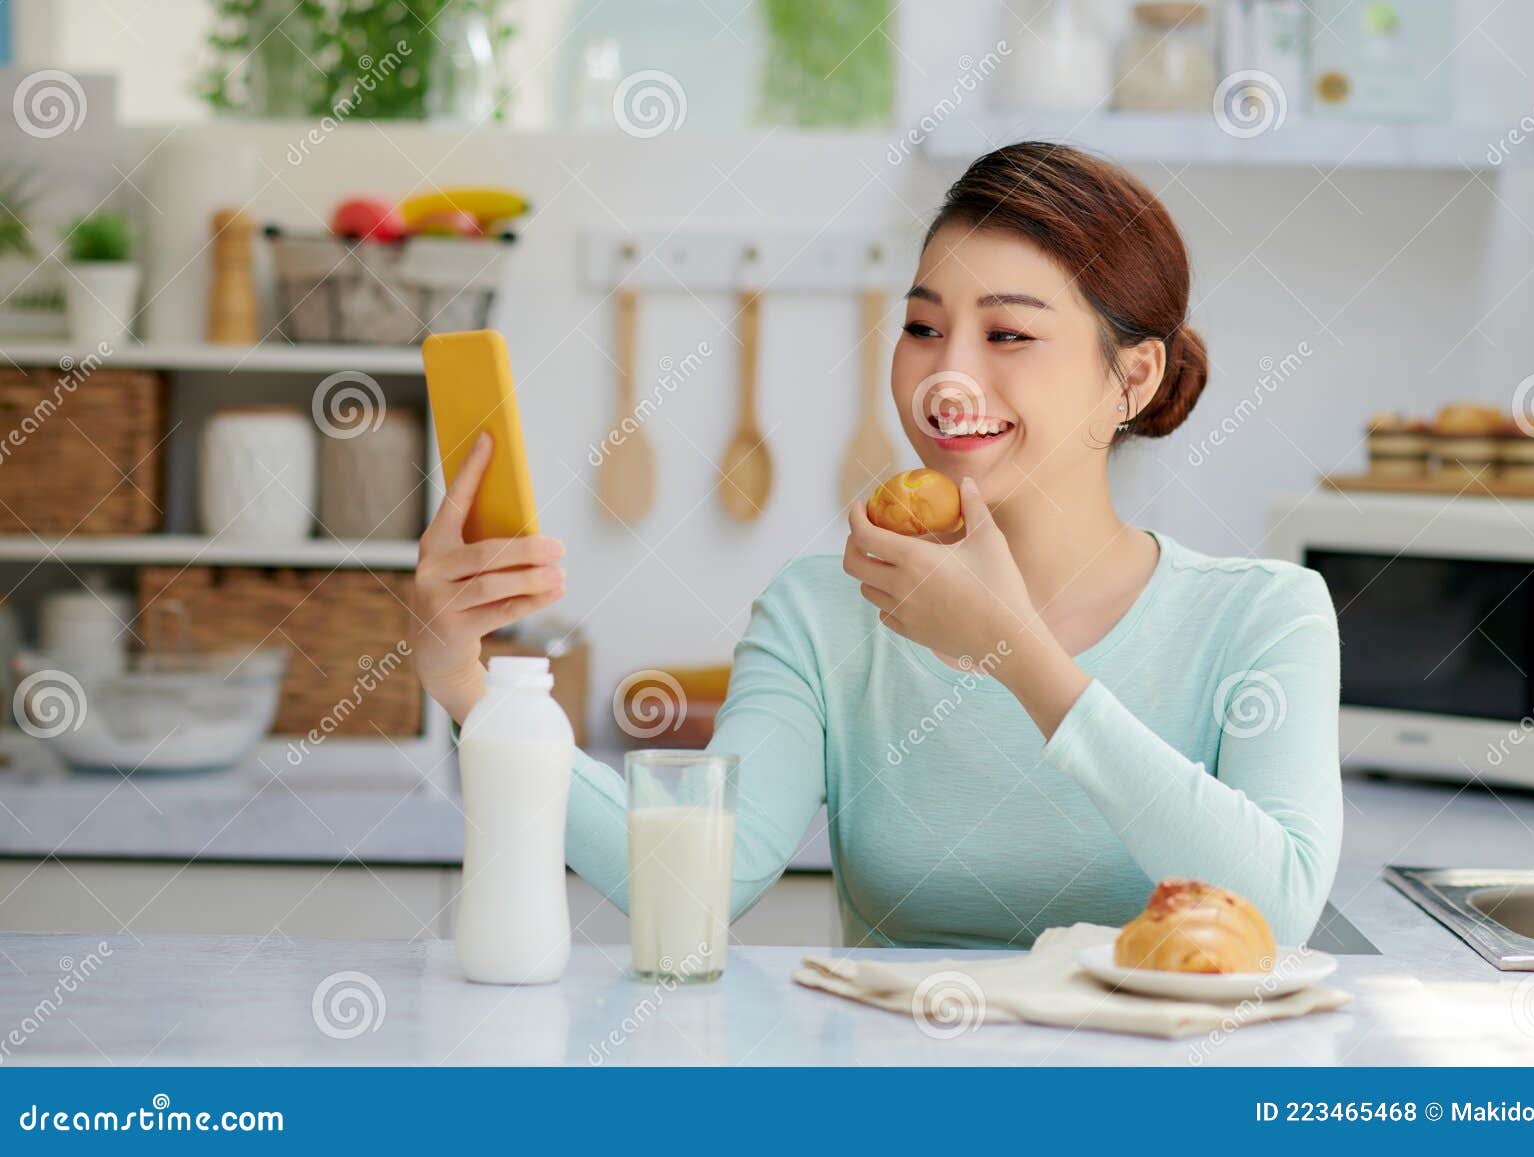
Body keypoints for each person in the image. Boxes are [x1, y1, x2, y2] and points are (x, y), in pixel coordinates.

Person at [410, 142, 1342, 949]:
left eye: (1008, 332)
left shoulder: (1262, 616)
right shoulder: (824, 612)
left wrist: (1016, 654)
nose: (948, 375)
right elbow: (689, 885)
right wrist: (467, 686)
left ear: (1132, 377)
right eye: (924, 328)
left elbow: (1279, 908)